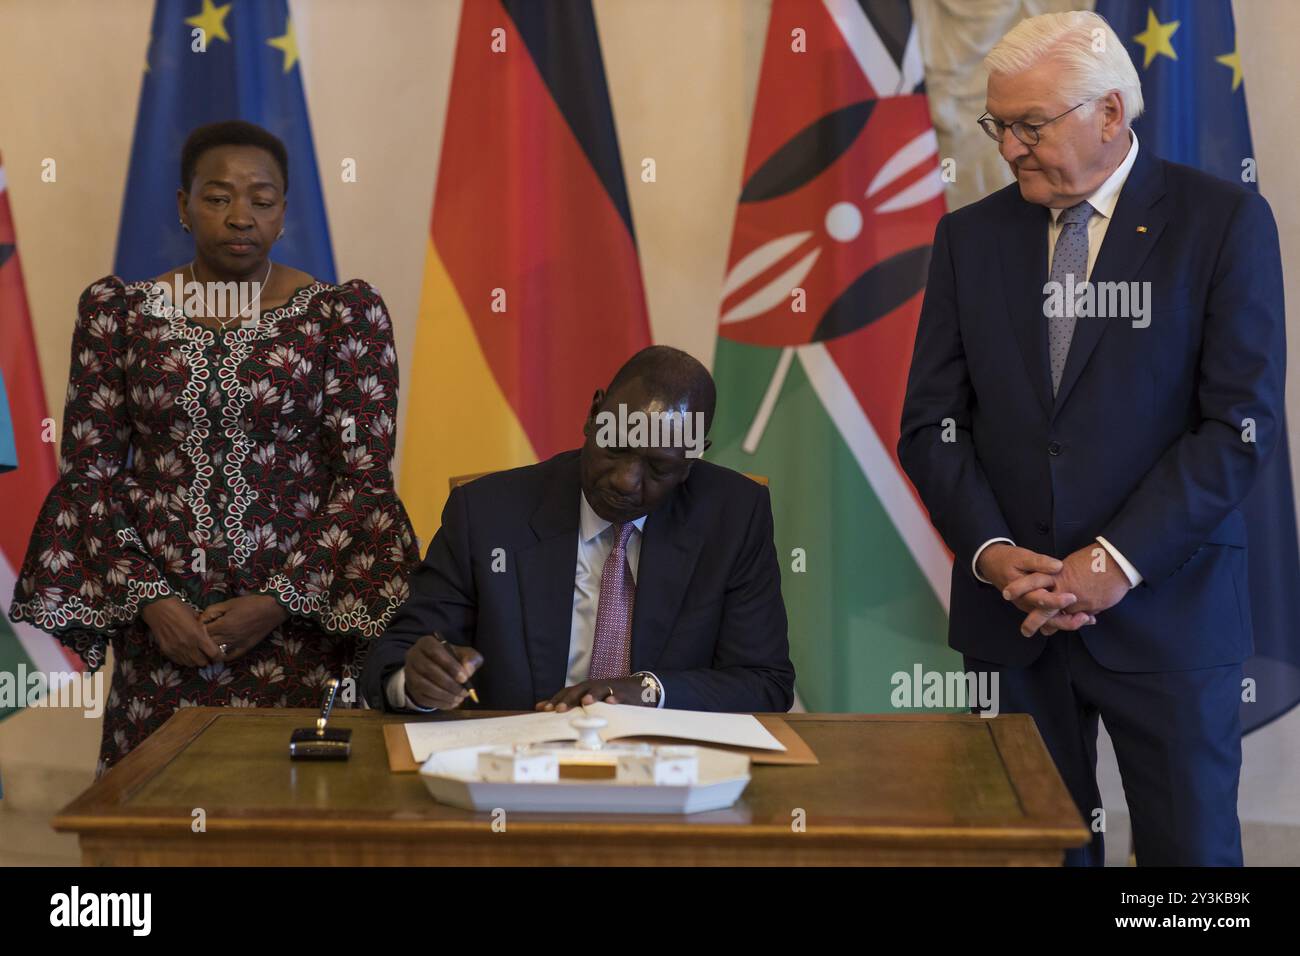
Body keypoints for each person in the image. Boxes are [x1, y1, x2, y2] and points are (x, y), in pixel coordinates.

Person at [898, 11, 1285, 866]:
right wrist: (996, 553)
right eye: (1000, 126)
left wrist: (1112, 560)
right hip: (1015, 621)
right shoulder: (970, 238)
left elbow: (1237, 427)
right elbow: (931, 426)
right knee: (1032, 858)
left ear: (1111, 113)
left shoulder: (1222, 223)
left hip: (1169, 614)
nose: (1010, 148)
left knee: (1189, 877)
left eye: (1032, 125)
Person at [8, 120, 419, 773]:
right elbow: (90, 477)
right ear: (182, 205)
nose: (240, 217)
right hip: (163, 637)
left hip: (296, 634)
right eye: (218, 197)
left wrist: (277, 601)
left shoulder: (342, 317)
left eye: (262, 200)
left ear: (284, 212)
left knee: (289, 815)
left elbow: (362, 484)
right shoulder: (121, 315)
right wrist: (153, 602)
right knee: (150, 819)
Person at [362, 345, 795, 714]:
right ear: (593, 415)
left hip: (673, 776)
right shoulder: (487, 513)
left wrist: (646, 691)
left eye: (658, 467)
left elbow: (764, 682)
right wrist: (416, 683)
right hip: (515, 778)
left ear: (691, 460)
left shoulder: (734, 517)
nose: (626, 479)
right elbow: (396, 654)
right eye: (616, 446)